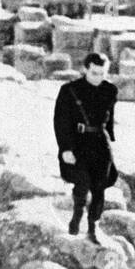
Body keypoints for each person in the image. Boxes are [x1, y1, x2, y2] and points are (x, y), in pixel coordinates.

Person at [55, 52, 118, 244]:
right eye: (94, 73)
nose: (98, 78)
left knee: (99, 187)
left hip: (100, 143)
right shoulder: (69, 90)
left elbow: (109, 116)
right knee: (82, 182)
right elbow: (61, 121)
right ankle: (76, 217)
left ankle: (93, 227)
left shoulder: (110, 90)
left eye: (102, 73)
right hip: (77, 142)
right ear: (85, 69)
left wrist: (110, 138)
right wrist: (66, 148)